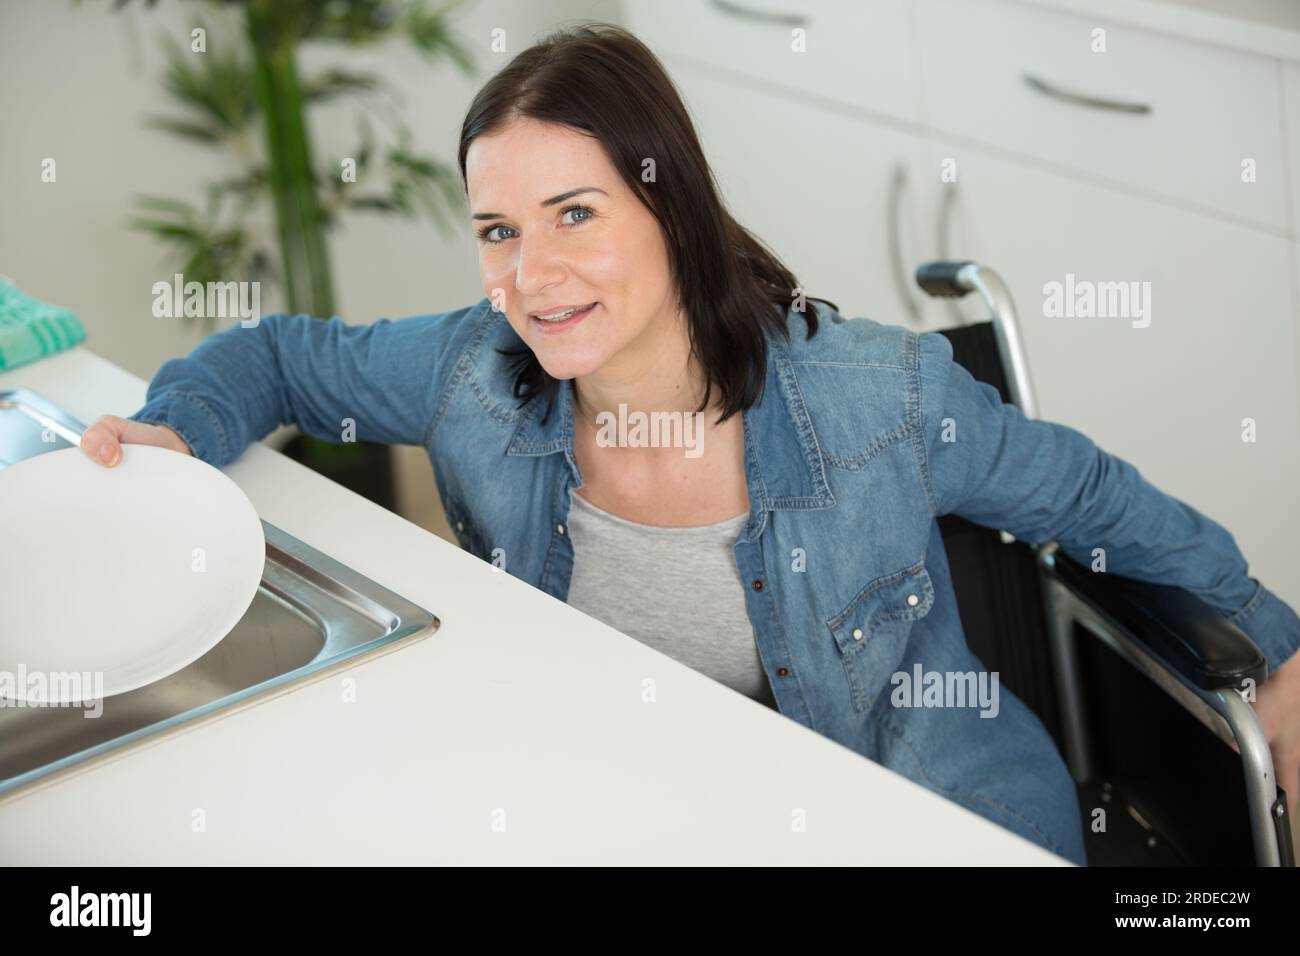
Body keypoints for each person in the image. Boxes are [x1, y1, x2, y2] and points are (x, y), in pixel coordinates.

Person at [80, 23, 1300, 865]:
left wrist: (1276, 646)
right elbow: (280, 354)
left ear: (668, 206)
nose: (531, 274)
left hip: (917, 805)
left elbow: (1094, 497)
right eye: (497, 229)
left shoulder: (874, 397)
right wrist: (176, 427)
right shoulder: (475, 371)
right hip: (658, 804)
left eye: (574, 214)